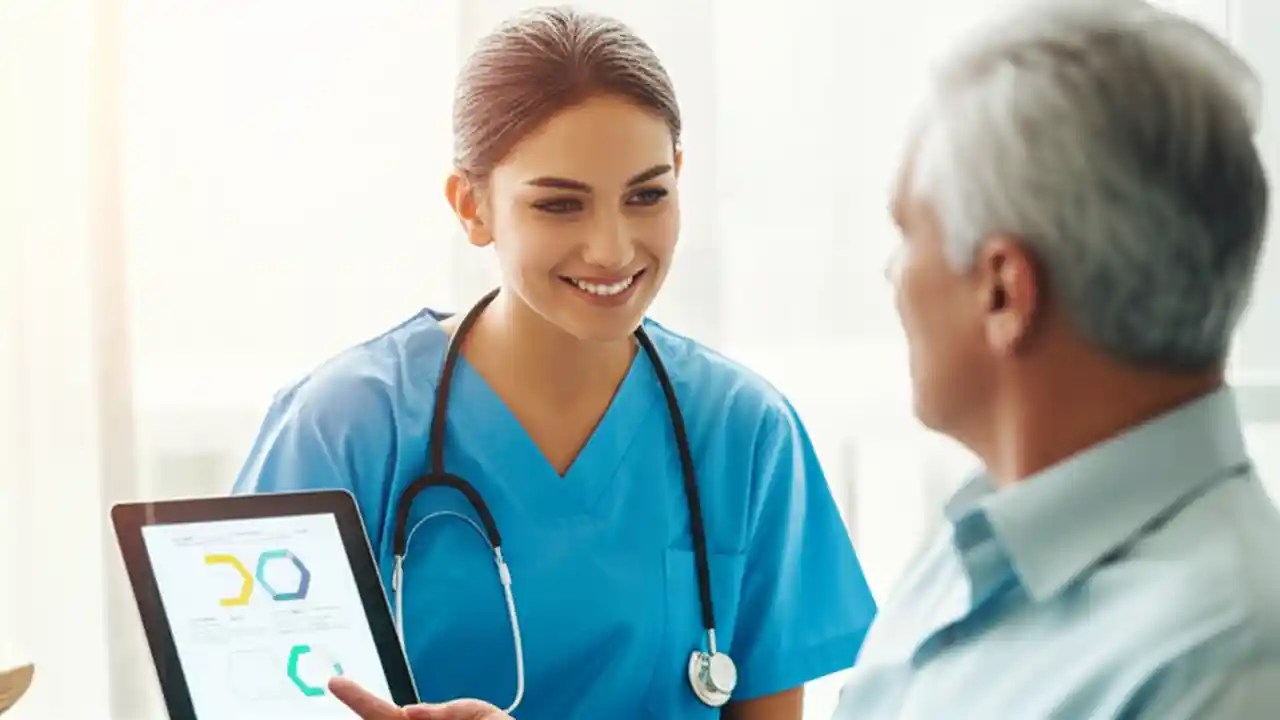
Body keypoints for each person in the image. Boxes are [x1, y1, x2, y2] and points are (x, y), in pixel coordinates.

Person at [353, 0, 1280, 718]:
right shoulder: (978, 555)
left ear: (1003, 290)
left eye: (908, 234)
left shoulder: (1228, 663)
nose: (891, 277)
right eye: (560, 203)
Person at [232, 5, 876, 719]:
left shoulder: (744, 433)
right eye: (561, 205)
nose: (612, 248)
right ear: (472, 207)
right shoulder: (342, 427)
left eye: (647, 195)